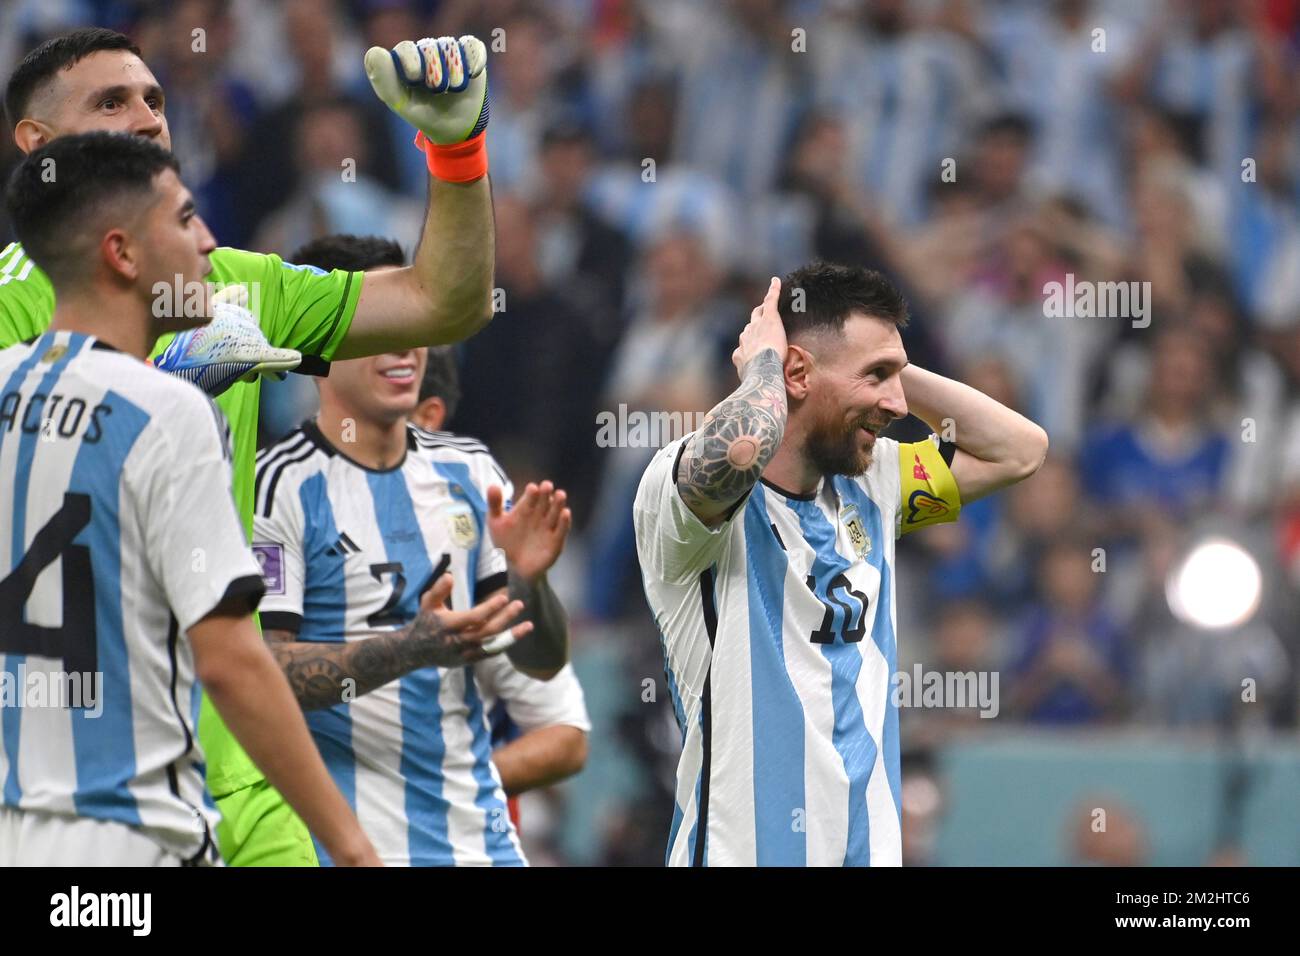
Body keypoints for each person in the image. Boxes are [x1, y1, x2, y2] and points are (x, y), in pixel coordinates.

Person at [0, 26, 497, 865]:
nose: (148, 117)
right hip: (80, 768)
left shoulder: (230, 284)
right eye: (111, 100)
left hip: (236, 774)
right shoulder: (14, 301)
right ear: (37, 145)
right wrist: (163, 389)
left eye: (156, 99)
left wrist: (455, 152)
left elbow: (444, 303)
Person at [0, 132, 378, 866]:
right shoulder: (170, 413)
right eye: (184, 219)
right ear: (123, 253)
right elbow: (232, 663)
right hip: (135, 835)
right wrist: (353, 847)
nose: (207, 241)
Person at [633, 261, 1048, 866]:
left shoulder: (876, 484)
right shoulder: (689, 494)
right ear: (796, 373)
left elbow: (1018, 450)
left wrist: (890, 369)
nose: (897, 403)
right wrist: (765, 367)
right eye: (877, 375)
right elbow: (741, 450)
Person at [251, 234, 580, 865]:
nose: (408, 343)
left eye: (417, 319)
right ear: (318, 339)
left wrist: (529, 585)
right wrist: (408, 648)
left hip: (478, 847)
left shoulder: (471, 472)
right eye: (386, 320)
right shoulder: (279, 484)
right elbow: (265, 676)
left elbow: (537, 664)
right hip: (340, 849)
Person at [411, 341, 591, 833]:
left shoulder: (468, 547)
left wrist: (438, 791)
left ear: (428, 415)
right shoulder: (297, 498)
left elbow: (566, 737)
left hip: (461, 840)